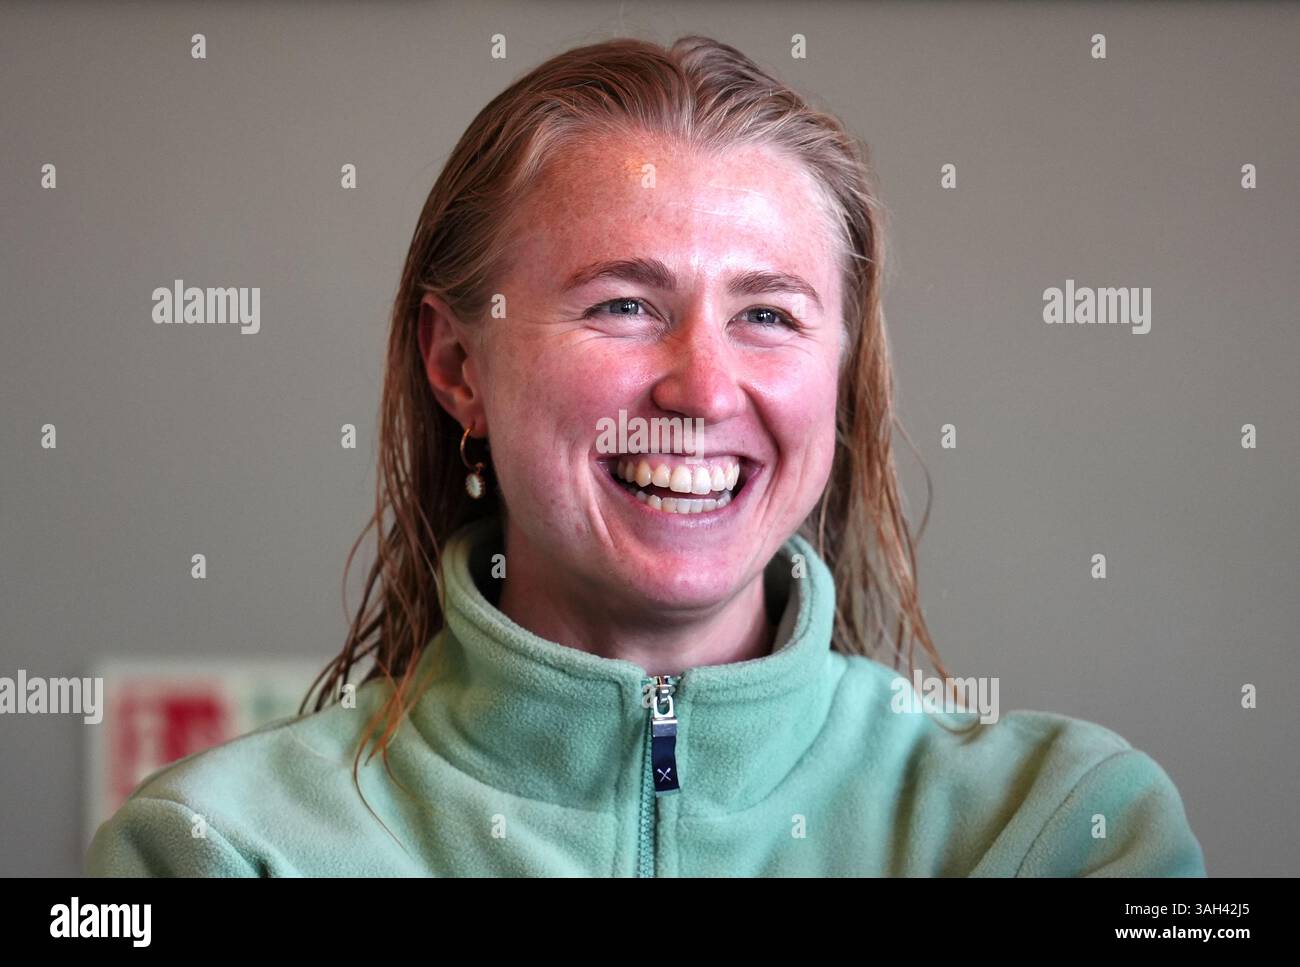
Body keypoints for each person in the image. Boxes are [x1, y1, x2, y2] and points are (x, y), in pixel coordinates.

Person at [86, 35, 1205, 877]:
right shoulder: (217, 849)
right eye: (623, 304)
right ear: (457, 365)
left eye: (767, 315)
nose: (705, 388)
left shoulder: (1061, 824)